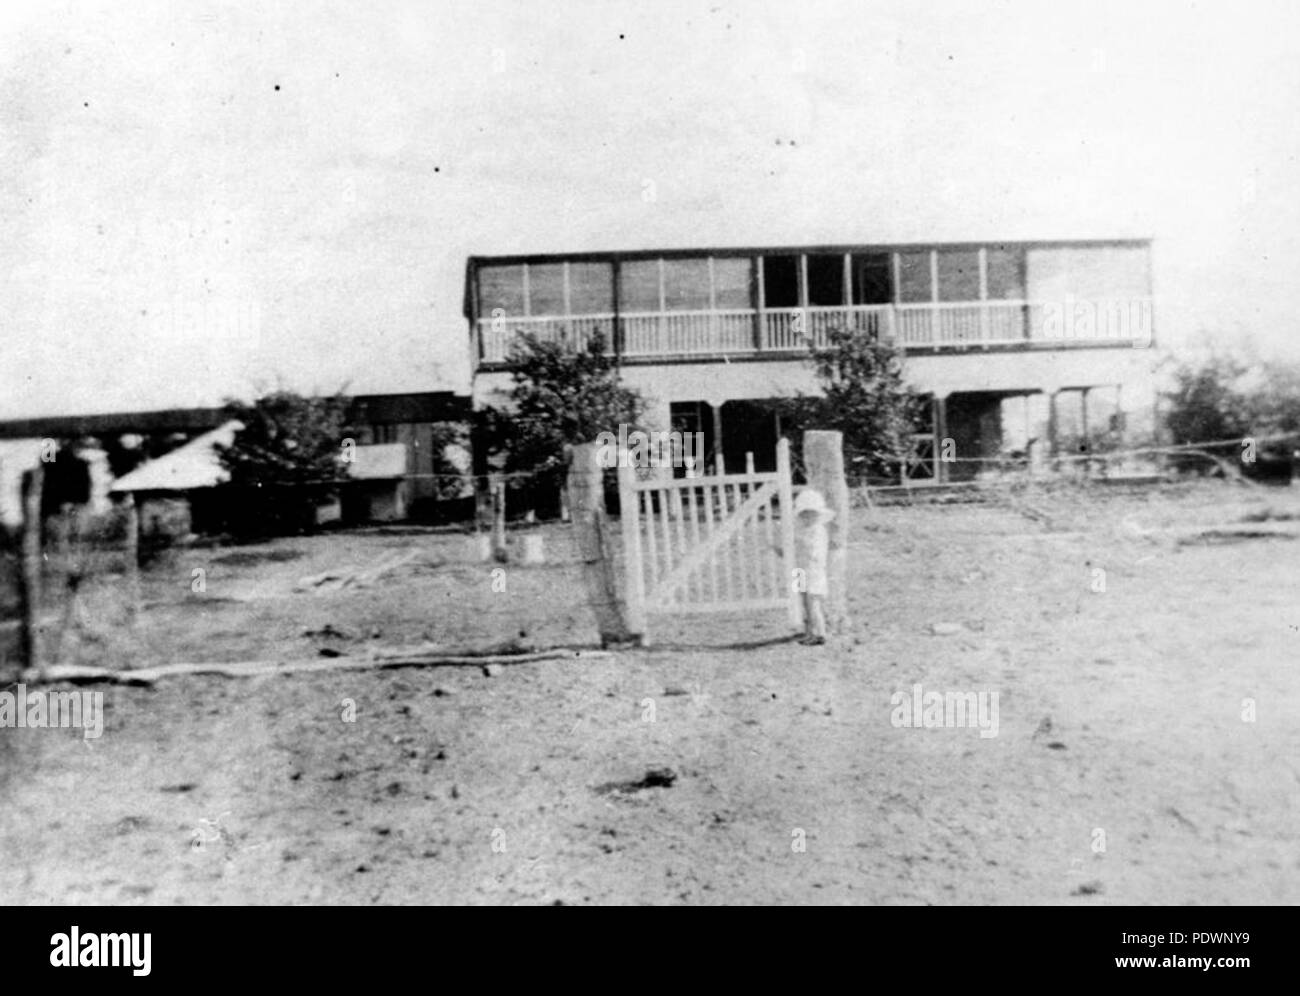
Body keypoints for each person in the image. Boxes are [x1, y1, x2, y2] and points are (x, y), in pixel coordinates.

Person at [792, 487, 834, 645]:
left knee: (813, 603)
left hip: (812, 571)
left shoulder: (818, 531)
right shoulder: (801, 530)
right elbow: (793, 551)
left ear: (818, 515)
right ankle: (809, 631)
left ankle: (820, 633)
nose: (808, 517)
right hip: (799, 570)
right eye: (805, 514)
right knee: (802, 602)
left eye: (812, 514)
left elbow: (815, 553)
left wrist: (802, 544)